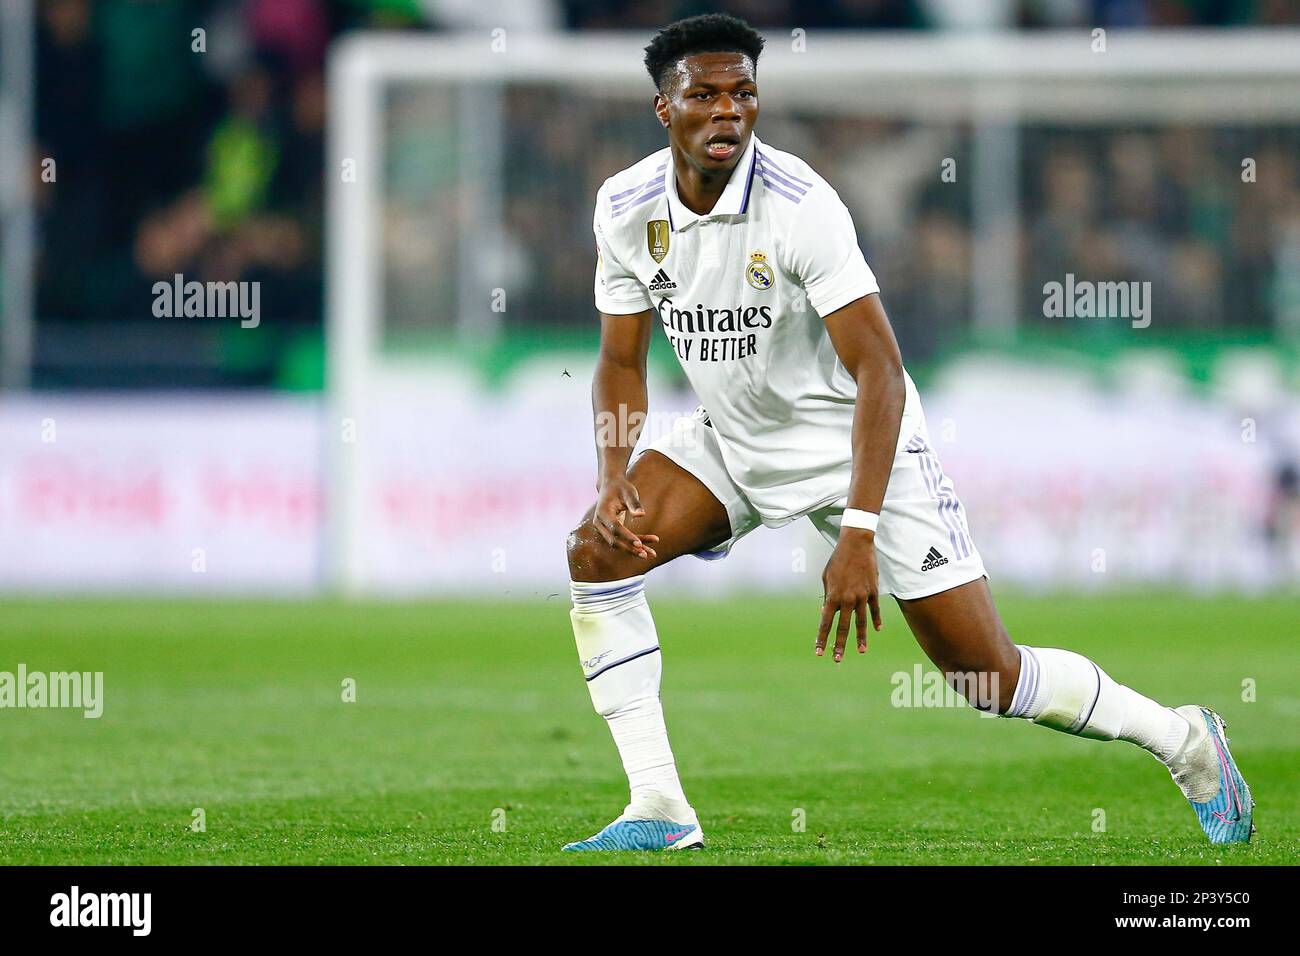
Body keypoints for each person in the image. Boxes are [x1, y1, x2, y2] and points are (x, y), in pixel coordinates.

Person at [563, 13, 1253, 851]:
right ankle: (659, 808)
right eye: (703, 95)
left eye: (743, 93)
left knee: (986, 677)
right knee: (596, 553)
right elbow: (620, 360)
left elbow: (881, 373)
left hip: (853, 441)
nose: (728, 112)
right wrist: (613, 473)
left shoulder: (801, 205)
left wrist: (857, 534)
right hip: (734, 439)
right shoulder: (624, 207)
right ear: (663, 110)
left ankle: (1186, 743)